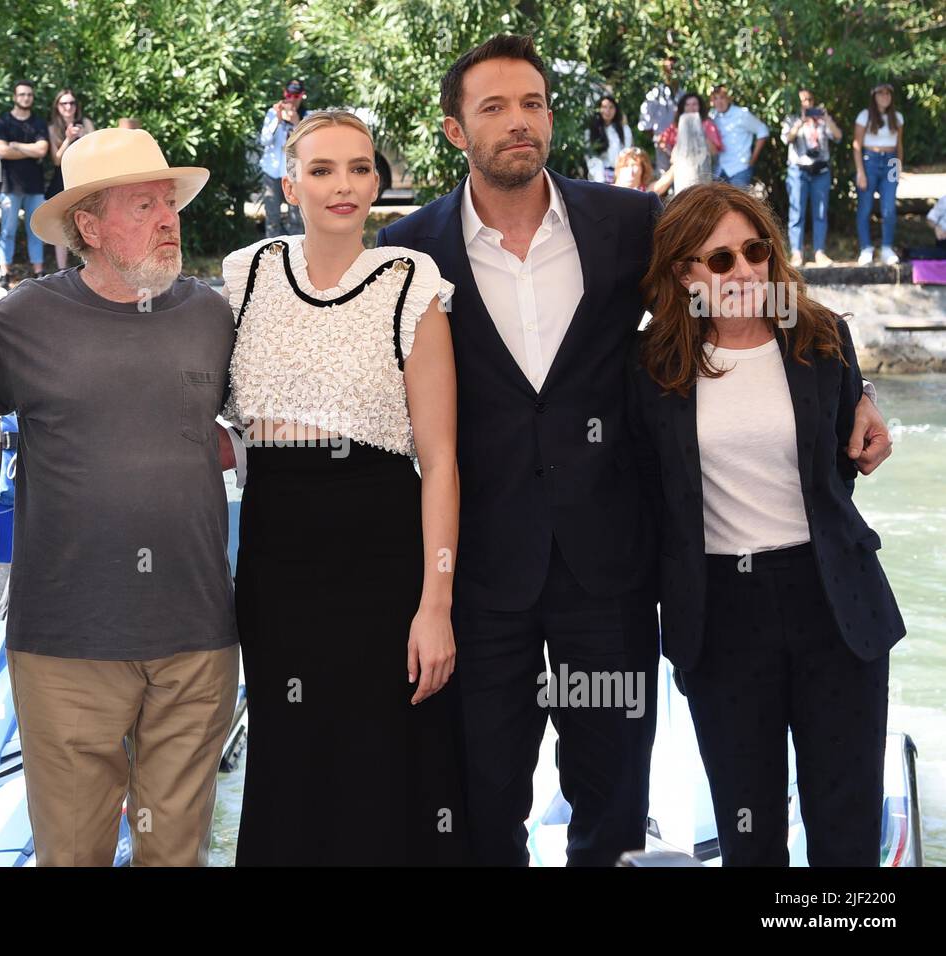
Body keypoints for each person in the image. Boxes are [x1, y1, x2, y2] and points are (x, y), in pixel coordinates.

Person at [376, 32, 893, 867]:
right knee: (482, 800)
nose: (519, 122)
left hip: (612, 576)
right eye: (495, 108)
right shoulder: (405, 252)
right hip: (480, 578)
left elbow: (760, 298)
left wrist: (855, 388)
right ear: (453, 130)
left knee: (614, 802)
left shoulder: (627, 222)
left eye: (533, 103)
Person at [0, 127, 242, 867]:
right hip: (67, 645)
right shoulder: (18, 323)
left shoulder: (211, 317)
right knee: (74, 857)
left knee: (176, 855)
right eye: (143, 206)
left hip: (197, 639)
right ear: (88, 227)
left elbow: (262, 428)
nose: (168, 219)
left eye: (169, 202)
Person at [627, 182, 904, 865]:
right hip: (721, 613)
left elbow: (841, 462)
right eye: (719, 260)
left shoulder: (822, 336)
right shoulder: (651, 366)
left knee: (846, 824)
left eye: (754, 250)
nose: (745, 271)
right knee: (748, 832)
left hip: (833, 598)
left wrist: (866, 398)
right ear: (684, 274)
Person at [221, 110, 469, 865]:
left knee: (380, 764)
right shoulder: (247, 273)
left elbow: (442, 458)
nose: (345, 185)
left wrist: (435, 605)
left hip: (382, 559)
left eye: (361, 168)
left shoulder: (410, 281)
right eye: (323, 170)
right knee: (288, 758)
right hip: (277, 557)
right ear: (290, 183)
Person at [0, 81, 49, 287]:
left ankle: (39, 272)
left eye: (29, 95)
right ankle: (4, 272)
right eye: (22, 94)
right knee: (8, 230)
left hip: (35, 186)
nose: (26, 98)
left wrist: (16, 145)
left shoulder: (39, 122)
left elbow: (42, 150)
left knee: (36, 230)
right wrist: (29, 150)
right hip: (9, 186)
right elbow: (2, 151)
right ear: (15, 97)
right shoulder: (2, 122)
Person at [782, 88, 842, 267]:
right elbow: (787, 139)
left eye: (809, 100)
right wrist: (801, 121)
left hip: (821, 172)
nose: (806, 104)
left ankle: (819, 252)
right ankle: (796, 253)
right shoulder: (791, 119)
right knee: (797, 212)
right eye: (802, 101)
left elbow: (838, 137)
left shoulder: (822, 121)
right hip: (798, 171)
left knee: (821, 212)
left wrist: (827, 119)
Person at [853, 83, 905, 266]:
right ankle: (866, 248)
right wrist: (860, 172)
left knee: (889, 208)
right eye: (881, 93)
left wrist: (898, 168)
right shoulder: (864, 116)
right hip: (869, 161)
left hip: (891, 162)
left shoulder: (897, 118)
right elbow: (857, 145)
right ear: (874, 96)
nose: (885, 97)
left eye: (888, 93)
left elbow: (899, 145)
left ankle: (886, 248)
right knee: (865, 207)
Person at [44, 89, 95, 271]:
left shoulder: (86, 124)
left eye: (71, 103)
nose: (68, 107)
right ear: (57, 107)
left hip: (83, 178)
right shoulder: (52, 128)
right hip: (62, 180)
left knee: (87, 221)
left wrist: (82, 138)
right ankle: (61, 269)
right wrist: (68, 139)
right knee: (62, 226)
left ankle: (91, 265)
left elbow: (94, 153)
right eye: (64, 103)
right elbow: (56, 160)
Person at [257, 79, 307, 237]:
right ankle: (273, 257)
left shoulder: (307, 115)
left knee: (297, 217)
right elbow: (264, 140)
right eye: (289, 95)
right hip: (272, 169)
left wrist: (296, 122)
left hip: (293, 167)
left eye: (295, 95)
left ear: (302, 96)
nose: (291, 99)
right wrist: (277, 120)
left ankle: (296, 257)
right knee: (272, 218)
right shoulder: (272, 113)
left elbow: (309, 145)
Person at [710, 85, 768, 188]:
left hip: (740, 169)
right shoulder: (713, 117)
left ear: (728, 98)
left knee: (737, 203)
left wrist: (753, 159)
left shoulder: (741, 114)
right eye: (715, 98)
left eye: (722, 97)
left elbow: (762, 130)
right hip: (719, 170)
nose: (719, 102)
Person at [638, 55, 683, 175]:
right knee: (663, 178)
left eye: (675, 68)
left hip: (683, 146)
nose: (672, 71)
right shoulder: (655, 95)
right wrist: (659, 138)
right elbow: (644, 125)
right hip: (662, 146)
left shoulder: (684, 94)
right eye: (668, 68)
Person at [585, 95, 632, 183]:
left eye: (611, 107)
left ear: (616, 110)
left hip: (620, 175)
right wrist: (601, 179)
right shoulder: (590, 132)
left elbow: (627, 153)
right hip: (598, 177)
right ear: (598, 109)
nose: (608, 111)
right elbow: (590, 157)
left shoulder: (625, 130)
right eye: (604, 107)